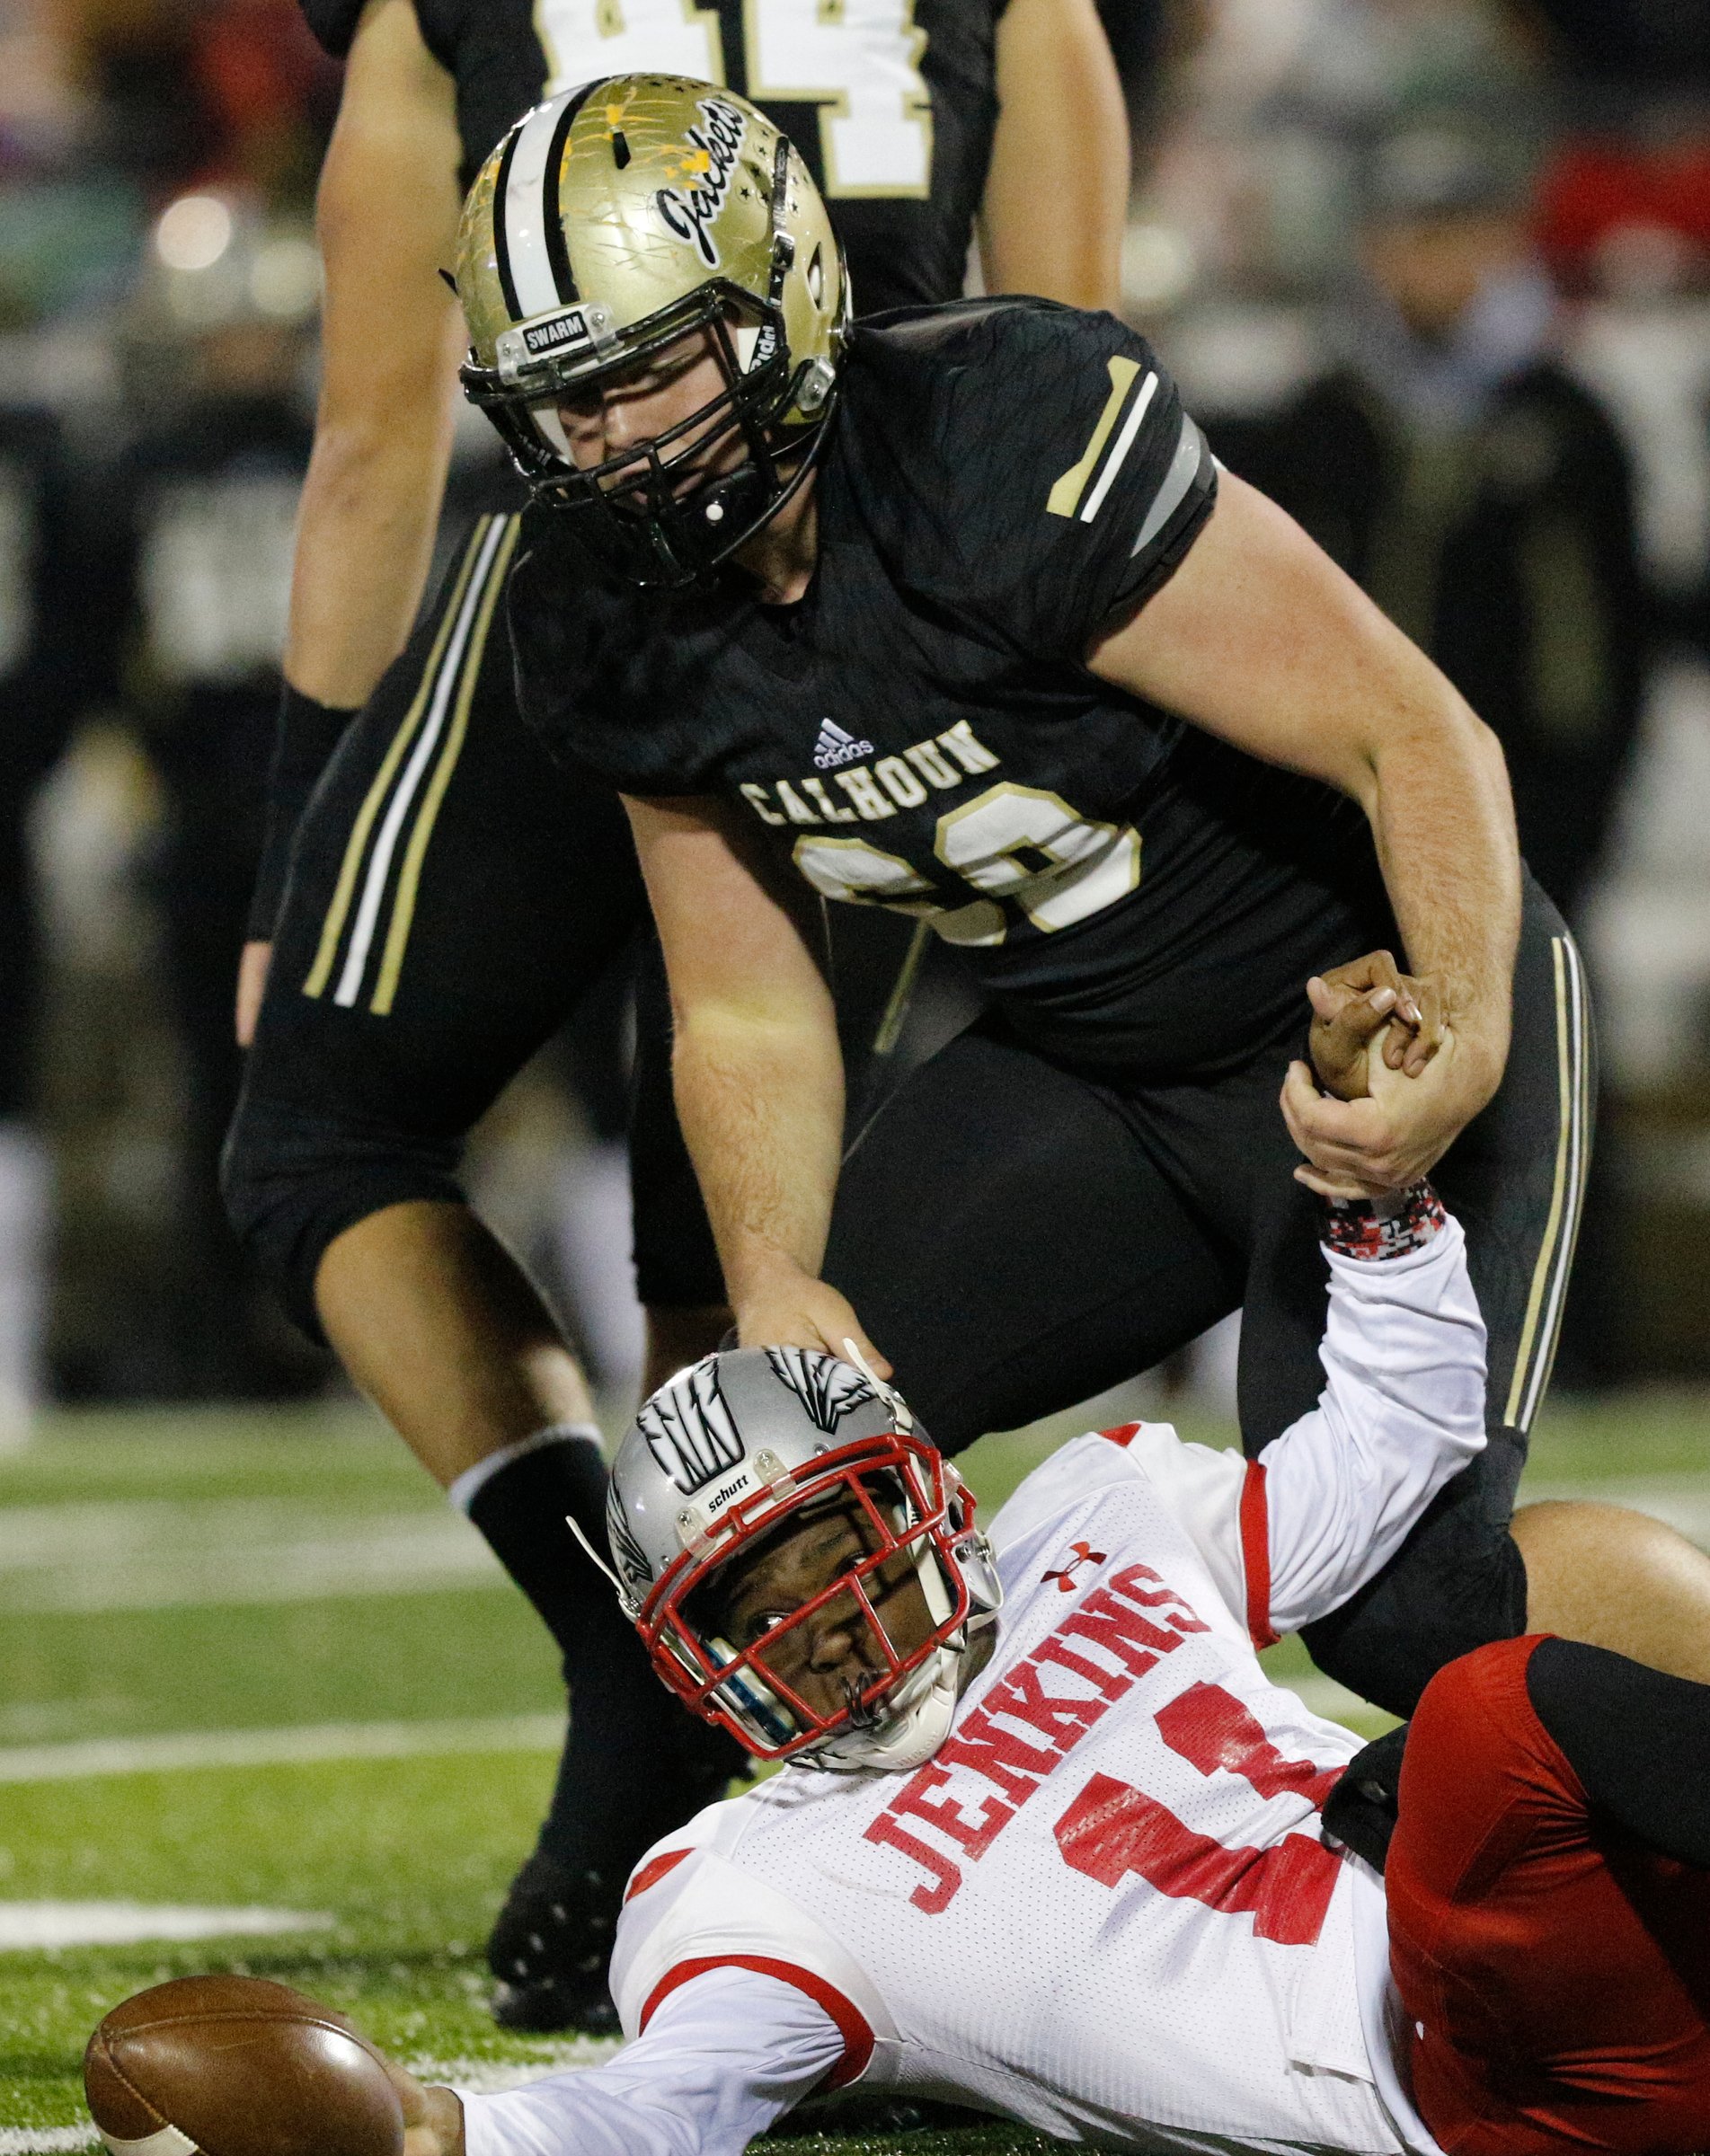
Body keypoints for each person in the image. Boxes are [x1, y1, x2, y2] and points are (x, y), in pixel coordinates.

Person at [459, 75, 1702, 1751]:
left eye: (646, 372)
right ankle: (1002, 1911)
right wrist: (770, 1280)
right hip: (1090, 1069)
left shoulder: (996, 435)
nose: (611, 441)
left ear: (782, 306)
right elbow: (747, 1001)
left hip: (1355, 1031)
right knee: (785, 1499)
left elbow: (1409, 732)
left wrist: (1465, 1036)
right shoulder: (593, 618)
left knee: (1403, 1612)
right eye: (565, 403)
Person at [223, 0, 1131, 2030]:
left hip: (577, 570)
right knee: (724, 1276)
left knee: (338, 1143)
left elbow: (377, 437)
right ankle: (665, 1725)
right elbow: (1070, 401)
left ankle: (659, 1739)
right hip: (877, 612)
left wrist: (300, 842)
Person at [353, 1061, 1710, 2156]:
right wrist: (456, 2132)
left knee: (1579, 1584)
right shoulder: (749, 1888)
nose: (822, 1622)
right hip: (1450, 2060)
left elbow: (1391, 1450)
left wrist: (1385, 1208)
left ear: (916, 1494)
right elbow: (658, 2112)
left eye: (831, 1549)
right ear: (697, 1661)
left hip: (1571, 1921)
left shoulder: (1096, 1515)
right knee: (1493, 1714)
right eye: (753, 1604)